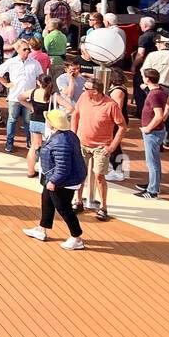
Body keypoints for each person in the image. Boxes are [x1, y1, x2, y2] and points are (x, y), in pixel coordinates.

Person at [22, 110, 87, 250]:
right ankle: (42, 228)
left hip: (63, 181)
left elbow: (63, 167)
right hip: (55, 177)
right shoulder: (66, 135)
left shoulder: (60, 142)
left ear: (53, 125)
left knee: (64, 208)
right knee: (47, 201)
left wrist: (54, 182)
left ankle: (77, 238)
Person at [71, 74, 125, 221]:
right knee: (80, 174)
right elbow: (75, 114)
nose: (83, 89)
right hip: (82, 143)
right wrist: (73, 134)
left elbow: (122, 126)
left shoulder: (111, 105)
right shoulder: (84, 97)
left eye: (86, 88)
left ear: (95, 91)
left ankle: (103, 207)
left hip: (101, 147)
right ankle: (78, 201)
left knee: (100, 176)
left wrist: (112, 146)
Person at [134, 67, 169, 199]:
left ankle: (153, 190)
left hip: (152, 132)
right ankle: (153, 184)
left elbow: (158, 115)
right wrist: (164, 116)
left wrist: (148, 128)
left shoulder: (154, 95)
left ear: (147, 79)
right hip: (157, 130)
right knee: (154, 161)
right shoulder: (160, 90)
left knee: (152, 162)